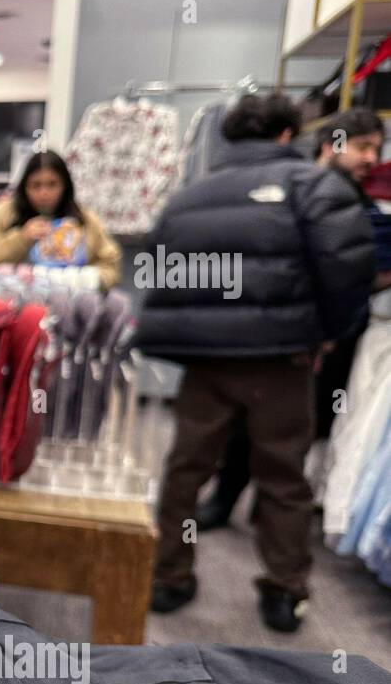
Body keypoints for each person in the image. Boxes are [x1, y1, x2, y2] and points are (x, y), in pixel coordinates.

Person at [136, 94, 375, 632]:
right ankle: (284, 591)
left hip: (206, 362)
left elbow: (161, 270)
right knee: (282, 475)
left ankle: (170, 575)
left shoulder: (189, 196)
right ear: (288, 135)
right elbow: (347, 270)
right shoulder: (314, 186)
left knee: (186, 469)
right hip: (280, 359)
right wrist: (328, 333)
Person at [197, 107, 389, 530]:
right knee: (247, 417)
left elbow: (358, 273)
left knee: (305, 426)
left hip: (335, 336)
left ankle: (270, 510)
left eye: (376, 149)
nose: (371, 158)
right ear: (332, 144)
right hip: (278, 328)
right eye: (363, 147)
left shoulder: (363, 207)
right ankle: (226, 497)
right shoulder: (290, 189)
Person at [0, 150, 122, 289]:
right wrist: (21, 239)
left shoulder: (84, 219)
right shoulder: (3, 213)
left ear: (65, 186)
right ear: (24, 187)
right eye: (36, 185)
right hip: (10, 301)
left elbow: (110, 265)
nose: (44, 193)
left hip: (72, 302)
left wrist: (86, 279)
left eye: (52, 185)